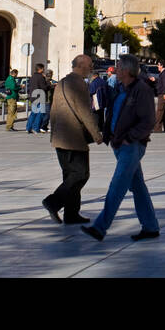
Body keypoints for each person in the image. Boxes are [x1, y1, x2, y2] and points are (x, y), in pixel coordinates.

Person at [82, 55, 160, 242]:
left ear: (126, 70)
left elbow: (148, 121)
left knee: (117, 185)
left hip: (131, 146)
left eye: (118, 66)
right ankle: (150, 227)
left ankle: (100, 227)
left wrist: (130, 138)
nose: (115, 69)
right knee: (138, 187)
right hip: (119, 144)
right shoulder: (120, 88)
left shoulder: (141, 90)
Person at [42, 54, 102, 225]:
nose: (91, 68)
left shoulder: (61, 82)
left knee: (70, 175)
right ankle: (53, 202)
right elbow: (84, 111)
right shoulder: (78, 84)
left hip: (60, 138)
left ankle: (72, 214)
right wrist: (96, 134)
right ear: (81, 65)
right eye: (90, 65)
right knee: (80, 174)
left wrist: (53, 133)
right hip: (74, 138)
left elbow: (54, 110)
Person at [27, 64, 50, 134]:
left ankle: (28, 128)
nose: (44, 70)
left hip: (33, 96)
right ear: (41, 69)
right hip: (40, 96)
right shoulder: (41, 77)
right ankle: (36, 128)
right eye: (43, 69)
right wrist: (49, 85)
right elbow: (44, 87)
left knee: (33, 113)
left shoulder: (32, 76)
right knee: (40, 113)